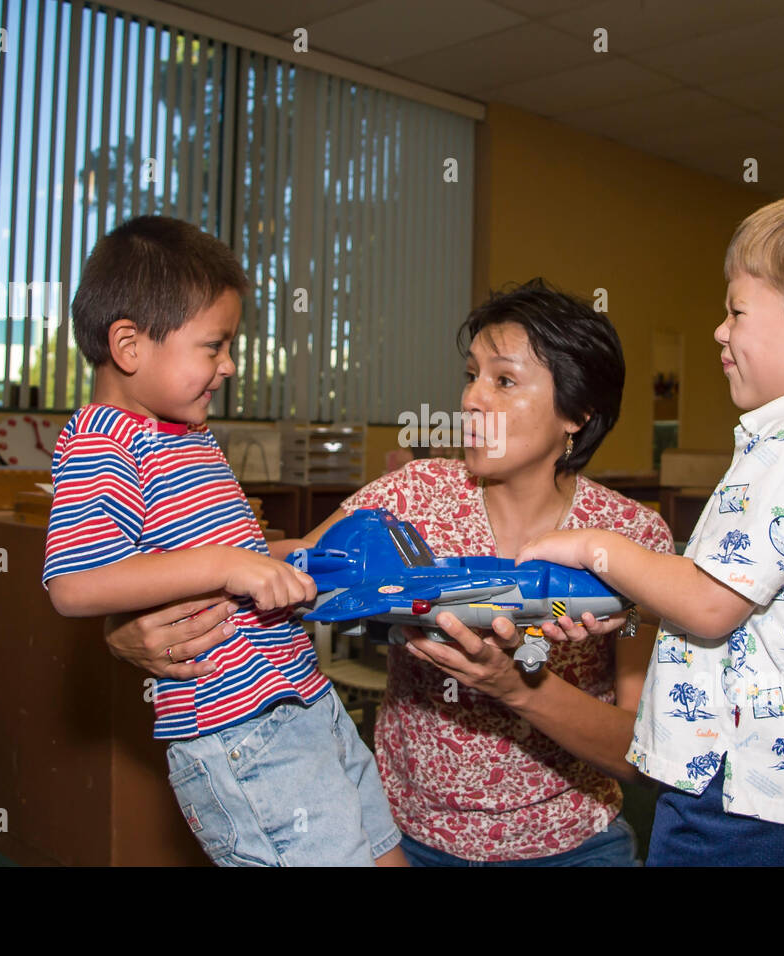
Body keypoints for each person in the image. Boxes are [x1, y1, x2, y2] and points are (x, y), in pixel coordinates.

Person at [106, 278, 675, 865]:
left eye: (503, 380)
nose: (472, 399)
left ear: (578, 412)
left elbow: (640, 755)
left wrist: (514, 687)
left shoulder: (632, 541)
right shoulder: (414, 494)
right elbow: (286, 565)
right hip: (403, 840)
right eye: (470, 375)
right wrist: (128, 624)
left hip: (573, 845)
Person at [516, 187, 784, 866]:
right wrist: (632, 608)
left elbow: (711, 607)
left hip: (737, 791)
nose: (720, 329)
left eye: (736, 310)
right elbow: (752, 612)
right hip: (781, 786)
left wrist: (599, 548)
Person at [41, 215, 405, 867]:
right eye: (215, 345)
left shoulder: (188, 437)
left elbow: (243, 558)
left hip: (305, 697)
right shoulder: (104, 441)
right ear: (128, 346)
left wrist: (312, 548)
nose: (231, 365)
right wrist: (229, 565)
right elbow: (73, 585)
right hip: (243, 731)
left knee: (383, 851)